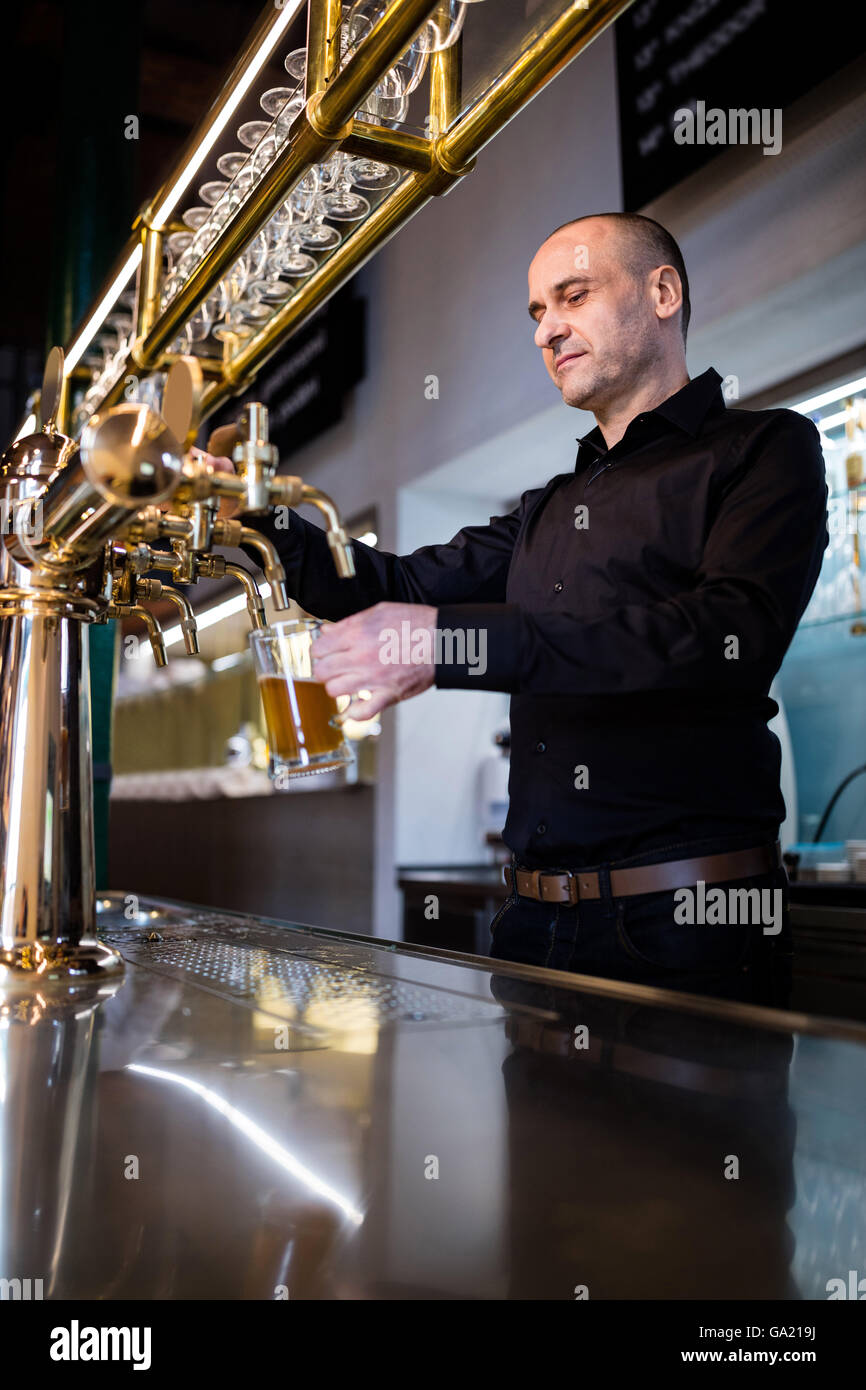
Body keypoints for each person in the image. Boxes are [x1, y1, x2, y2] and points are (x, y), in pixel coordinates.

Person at [207, 212, 829, 1006]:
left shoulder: (765, 449)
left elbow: (722, 634)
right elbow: (382, 583)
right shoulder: (547, 510)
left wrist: (451, 644)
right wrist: (256, 512)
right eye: (537, 312)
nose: (547, 330)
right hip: (534, 925)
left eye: (572, 296)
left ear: (663, 292)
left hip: (689, 922)